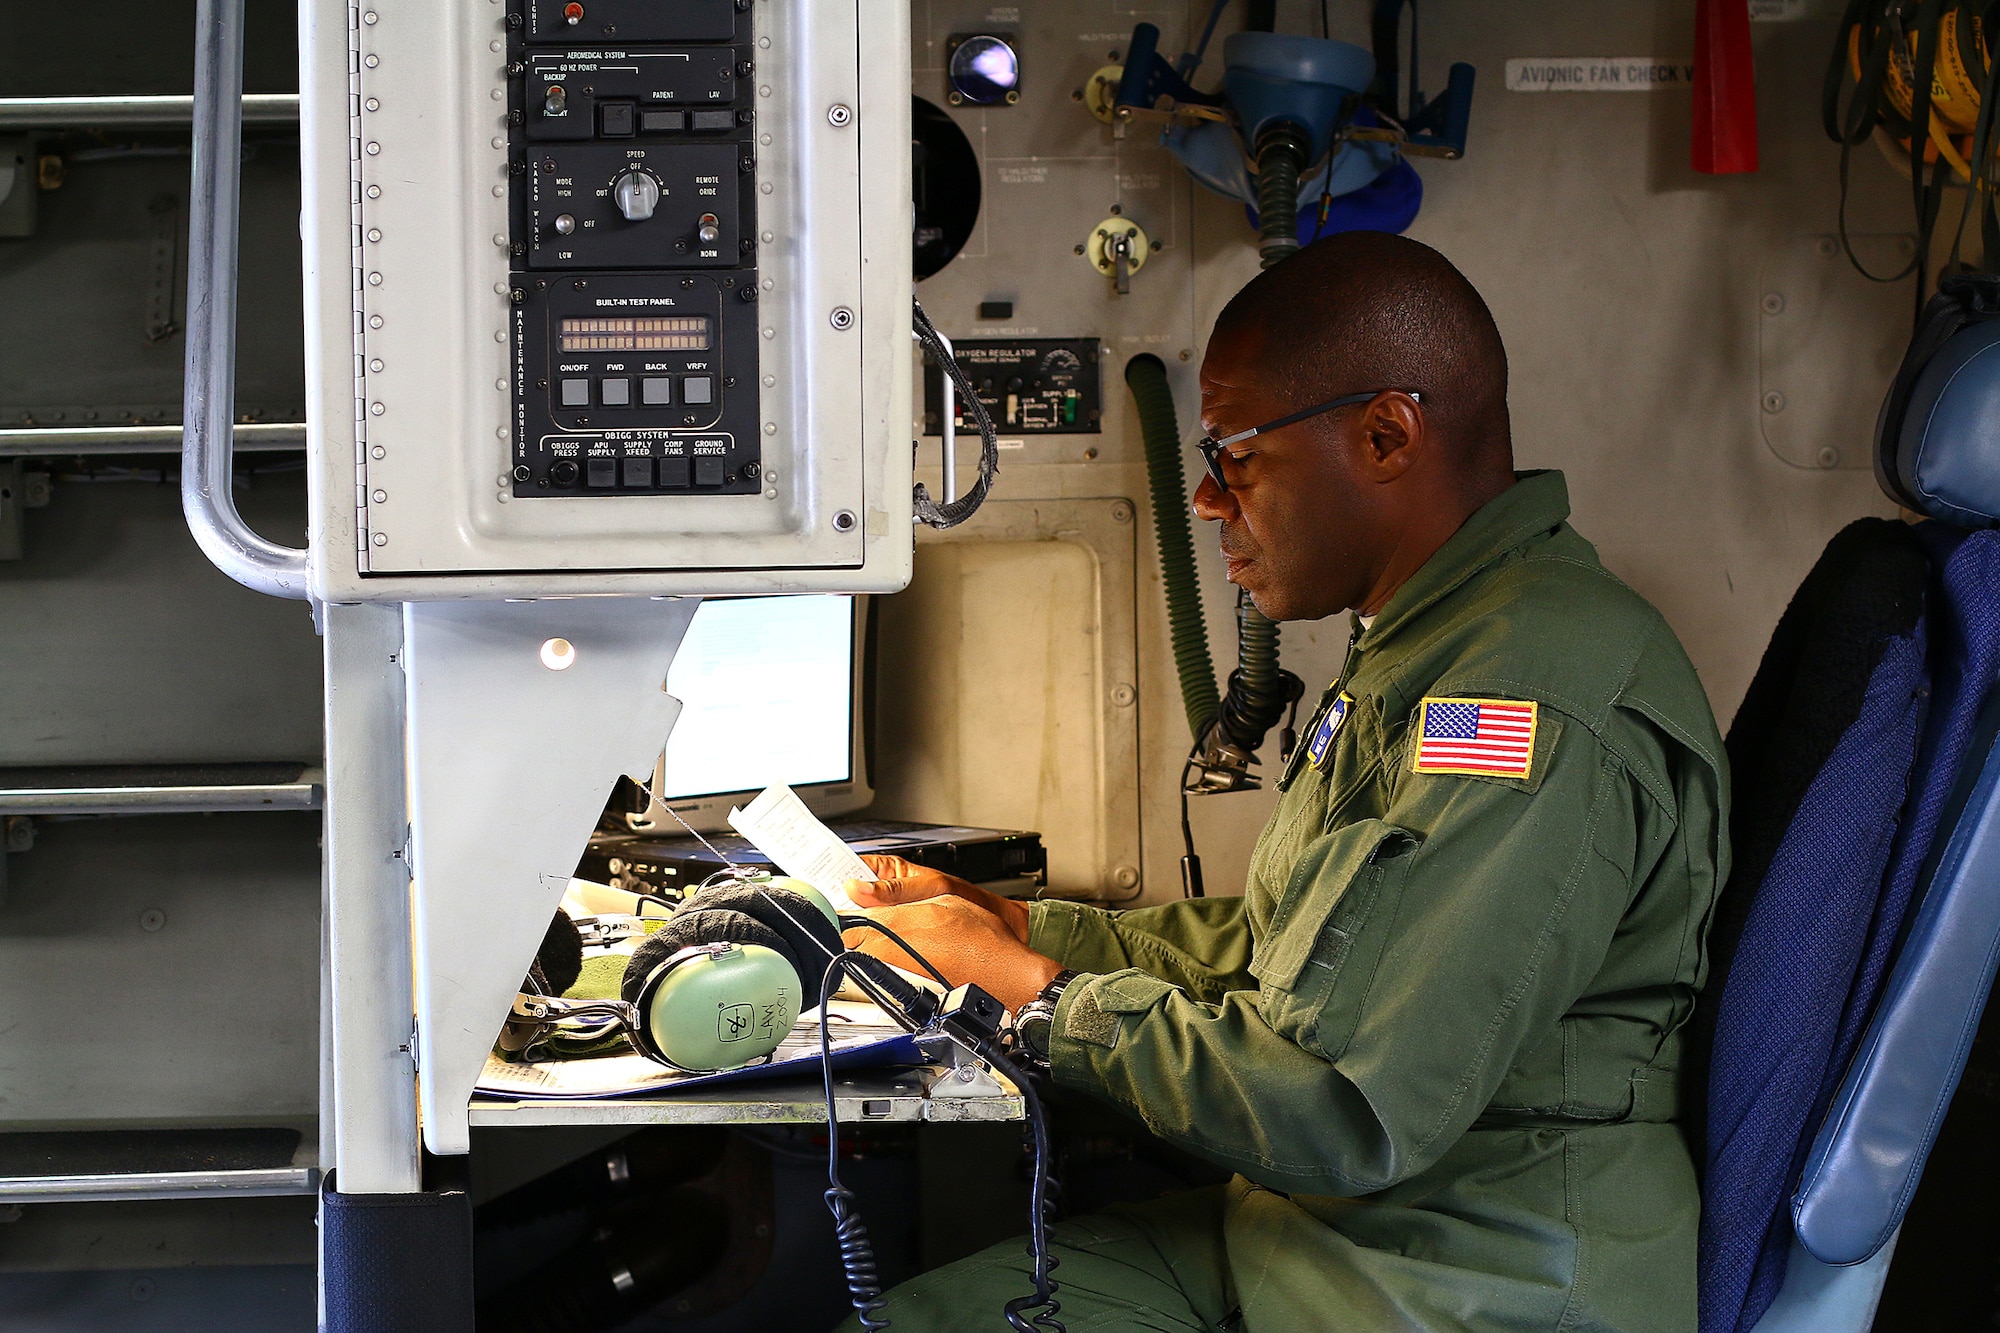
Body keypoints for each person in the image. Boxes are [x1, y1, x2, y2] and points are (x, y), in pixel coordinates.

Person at [840, 231, 1727, 1333]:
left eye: (1235, 458)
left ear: (1384, 433)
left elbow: (1344, 1109)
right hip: (1313, 1233)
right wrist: (1015, 925)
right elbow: (1294, 948)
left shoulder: (1518, 705)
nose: (1209, 503)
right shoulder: (1433, 641)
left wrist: (1027, 992)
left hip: (1454, 1282)